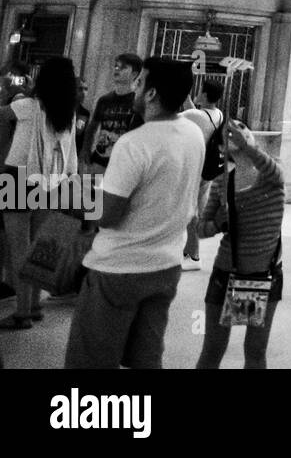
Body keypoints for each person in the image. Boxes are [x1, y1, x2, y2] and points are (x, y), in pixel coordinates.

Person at [64, 58, 205, 368]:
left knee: (91, 360)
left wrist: (64, 200)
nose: (135, 89)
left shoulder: (133, 144)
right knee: (146, 358)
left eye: (139, 83)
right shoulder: (193, 134)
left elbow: (109, 214)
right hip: (165, 266)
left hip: (118, 270)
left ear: (151, 93)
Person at [195, 118, 285, 369]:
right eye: (229, 133)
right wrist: (217, 225)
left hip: (262, 274)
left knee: (255, 351)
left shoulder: (271, 172)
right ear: (223, 148)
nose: (236, 133)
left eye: (242, 128)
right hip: (227, 273)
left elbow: (277, 174)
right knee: (213, 349)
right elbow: (201, 229)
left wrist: (246, 147)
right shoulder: (223, 182)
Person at [0, 57, 78, 331]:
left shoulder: (28, 105)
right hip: (52, 180)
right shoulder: (68, 112)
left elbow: (2, 114)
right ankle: (33, 305)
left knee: (19, 246)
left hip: (19, 176)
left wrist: (15, 88)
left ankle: (21, 312)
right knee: (38, 246)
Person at [181, 80, 226, 271]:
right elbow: (197, 113)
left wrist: (182, 94)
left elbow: (172, 117)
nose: (197, 94)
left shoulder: (194, 115)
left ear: (205, 95)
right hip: (208, 170)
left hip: (194, 169)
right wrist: (188, 98)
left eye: (200, 91)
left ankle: (194, 255)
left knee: (191, 213)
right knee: (197, 210)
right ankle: (189, 250)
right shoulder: (219, 114)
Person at [0, 61, 33, 302]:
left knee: (16, 241)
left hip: (13, 172)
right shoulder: (59, 109)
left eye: (12, 77)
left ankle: (20, 303)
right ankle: (30, 304)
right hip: (47, 176)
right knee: (31, 242)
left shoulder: (22, 104)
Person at [84, 52, 144, 174]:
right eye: (116, 66)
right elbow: (92, 126)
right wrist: (86, 149)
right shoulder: (104, 100)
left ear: (134, 74)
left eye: (123, 67)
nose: (117, 69)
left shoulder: (138, 102)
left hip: (123, 164)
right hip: (99, 159)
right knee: (88, 193)